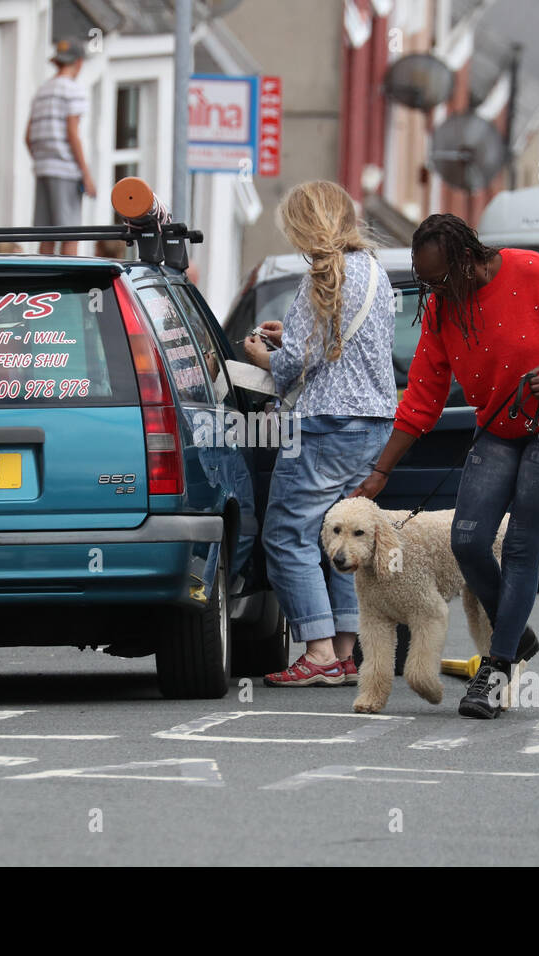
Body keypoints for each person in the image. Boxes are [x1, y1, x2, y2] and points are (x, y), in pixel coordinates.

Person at [351, 214, 539, 719]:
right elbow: (422, 401)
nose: (433, 291)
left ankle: (496, 667)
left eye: (440, 280)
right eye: (424, 282)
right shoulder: (442, 311)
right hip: (499, 427)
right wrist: (381, 472)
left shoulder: (532, 272)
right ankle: (518, 633)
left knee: (519, 546)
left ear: (468, 260)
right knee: (468, 539)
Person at [242, 181, 397, 687]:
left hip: (325, 425)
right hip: (374, 424)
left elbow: (289, 371)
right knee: (343, 536)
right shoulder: (377, 273)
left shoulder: (320, 280)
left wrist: (268, 355)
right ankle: (347, 653)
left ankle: (318, 651)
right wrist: (294, 339)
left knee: (287, 534)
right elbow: (353, 350)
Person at [26, 37, 96, 256]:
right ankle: (70, 286)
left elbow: (28, 136)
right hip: (65, 170)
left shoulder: (42, 91)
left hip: (43, 168)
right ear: (79, 63)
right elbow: (72, 133)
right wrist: (86, 174)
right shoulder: (74, 90)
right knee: (71, 234)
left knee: (46, 236)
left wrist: (41, 159)